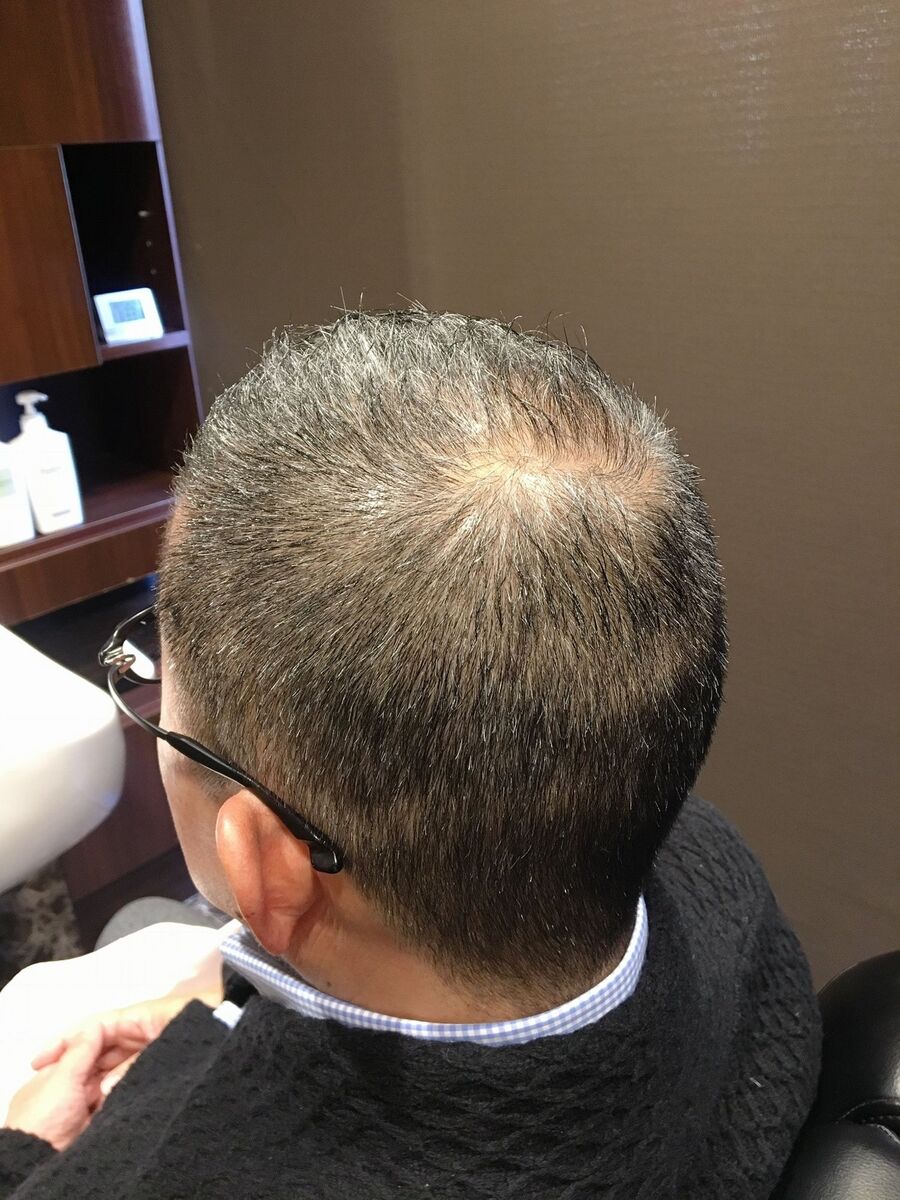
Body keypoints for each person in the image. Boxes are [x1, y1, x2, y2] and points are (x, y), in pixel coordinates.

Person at [0, 309, 820, 1198]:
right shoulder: (718, 873)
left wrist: (25, 1152)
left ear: (269, 869)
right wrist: (231, 1003)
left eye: (158, 687)